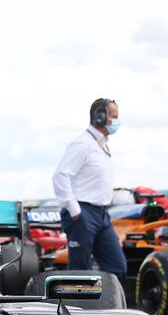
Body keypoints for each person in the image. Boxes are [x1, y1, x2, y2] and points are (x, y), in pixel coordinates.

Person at [51, 97, 126, 276]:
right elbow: (60, 176)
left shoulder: (101, 144)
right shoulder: (83, 143)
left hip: (101, 214)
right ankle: (77, 305)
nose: (117, 121)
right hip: (83, 213)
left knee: (118, 268)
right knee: (79, 271)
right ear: (99, 117)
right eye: (114, 117)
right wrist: (75, 210)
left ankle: (110, 304)